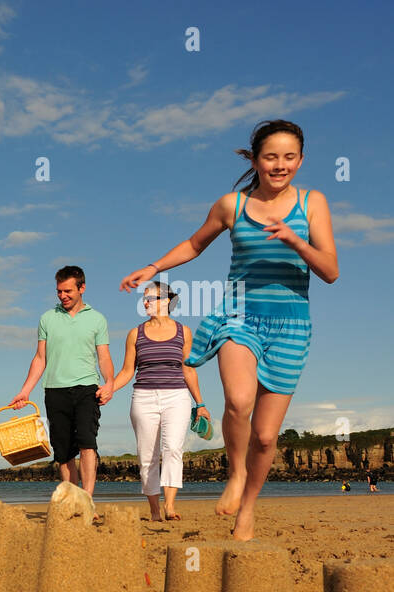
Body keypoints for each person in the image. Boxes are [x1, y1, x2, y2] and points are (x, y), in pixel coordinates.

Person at [120, 119, 337, 540]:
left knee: (266, 435)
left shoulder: (313, 203)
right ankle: (235, 474)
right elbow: (195, 243)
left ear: (301, 160)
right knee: (238, 401)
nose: (280, 165)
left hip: (291, 325)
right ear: (255, 159)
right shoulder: (232, 205)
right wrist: (153, 267)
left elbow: (330, 270)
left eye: (289, 157)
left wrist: (295, 241)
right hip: (239, 315)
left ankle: (249, 507)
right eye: (271, 156)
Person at [9, 266, 115, 497]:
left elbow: (104, 357)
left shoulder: (97, 319)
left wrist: (110, 384)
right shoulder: (47, 318)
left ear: (82, 288)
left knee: (88, 444)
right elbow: (40, 358)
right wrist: (25, 391)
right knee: (64, 452)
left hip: (87, 388)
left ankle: (86, 499)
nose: (62, 296)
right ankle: (72, 498)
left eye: (68, 291)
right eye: (59, 291)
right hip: (54, 390)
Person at [109, 282, 211, 521]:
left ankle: (170, 506)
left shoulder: (183, 331)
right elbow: (126, 371)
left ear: (166, 300)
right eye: (144, 299)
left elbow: (189, 370)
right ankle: (154, 510)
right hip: (143, 398)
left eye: (151, 298)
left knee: (173, 449)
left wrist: (200, 403)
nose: (145, 302)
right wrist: (108, 389)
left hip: (177, 396)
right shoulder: (135, 333)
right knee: (147, 456)